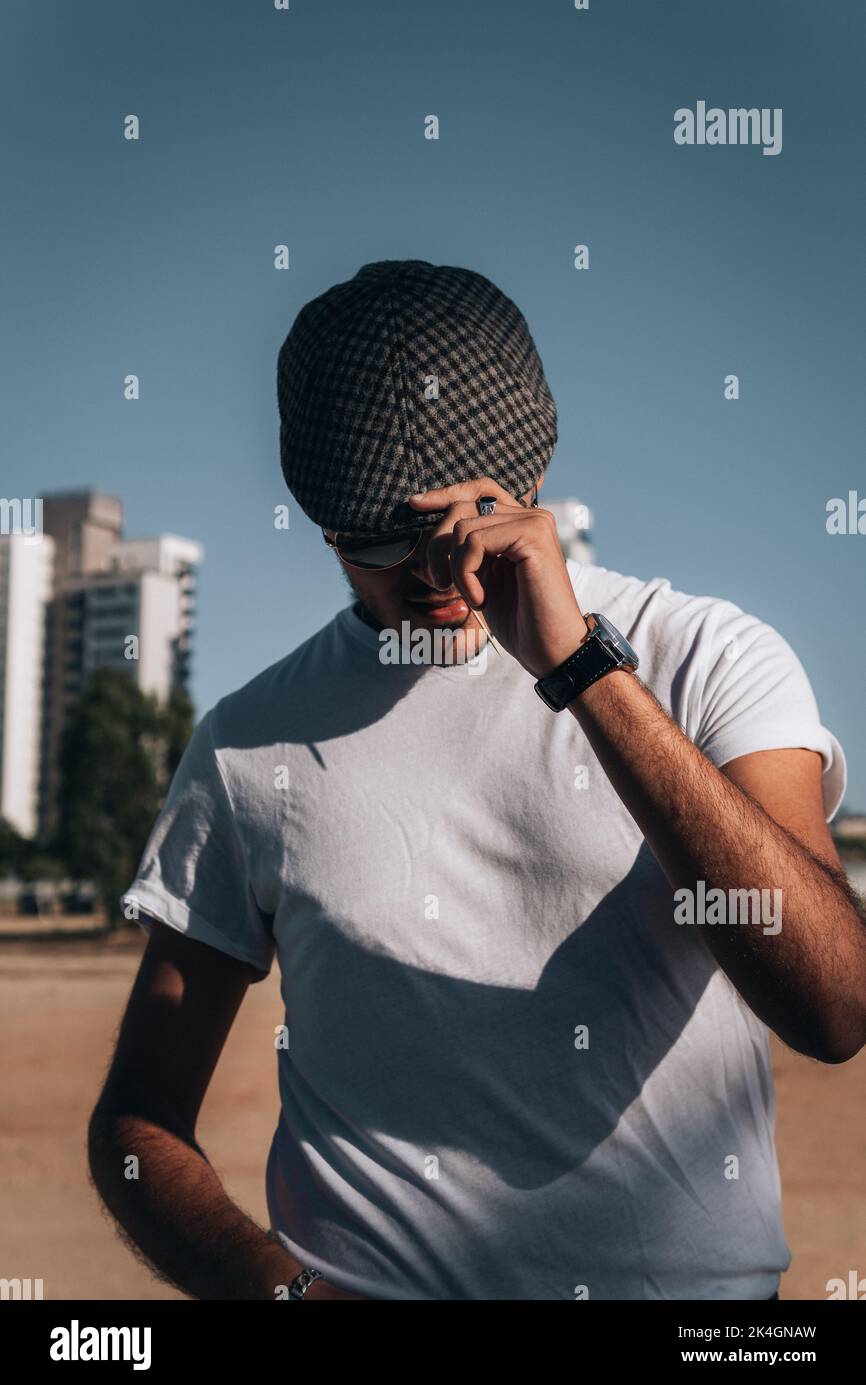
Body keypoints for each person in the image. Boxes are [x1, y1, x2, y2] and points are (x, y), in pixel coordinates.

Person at [89, 259, 866, 1301]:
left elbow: (833, 1004)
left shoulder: (706, 657)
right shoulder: (246, 746)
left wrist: (583, 669)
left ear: (533, 473)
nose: (429, 568)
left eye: (462, 516)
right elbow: (138, 1121)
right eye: (377, 534)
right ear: (315, 519)